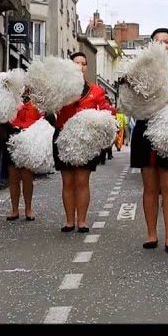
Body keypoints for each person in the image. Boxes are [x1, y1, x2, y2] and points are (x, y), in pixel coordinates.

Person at [130, 29, 168, 252]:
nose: (163, 44)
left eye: (167, 42)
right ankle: (151, 234)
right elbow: (131, 99)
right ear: (151, 45)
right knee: (149, 186)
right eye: (158, 41)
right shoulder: (141, 71)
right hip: (145, 129)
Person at [54, 53, 115, 233]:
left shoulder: (96, 90)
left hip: (85, 140)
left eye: (83, 63)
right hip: (63, 135)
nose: (80, 66)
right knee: (67, 181)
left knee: (82, 180)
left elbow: (104, 111)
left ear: (86, 67)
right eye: (76, 63)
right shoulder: (61, 89)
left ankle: (82, 220)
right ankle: (69, 221)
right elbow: (51, 107)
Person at [7, 92, 44, 221]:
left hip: (29, 139)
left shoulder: (35, 104)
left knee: (27, 176)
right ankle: (14, 209)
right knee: (13, 176)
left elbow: (41, 120)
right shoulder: (11, 102)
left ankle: (28, 208)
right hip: (12, 139)